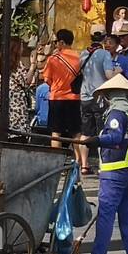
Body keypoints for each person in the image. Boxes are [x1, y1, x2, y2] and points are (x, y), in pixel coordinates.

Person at [74, 74, 128, 254]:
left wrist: (96, 141)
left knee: (106, 216)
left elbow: (115, 137)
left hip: (114, 173)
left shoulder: (116, 113)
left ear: (110, 96)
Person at [75, 25, 116, 172]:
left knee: (85, 131)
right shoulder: (105, 55)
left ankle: (84, 165)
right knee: (101, 131)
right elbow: (109, 75)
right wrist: (118, 72)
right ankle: (101, 164)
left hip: (85, 96)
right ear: (105, 38)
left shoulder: (83, 54)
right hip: (100, 97)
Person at [42, 28, 85, 162]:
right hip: (74, 98)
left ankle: (56, 161)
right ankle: (78, 161)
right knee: (76, 132)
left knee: (56, 132)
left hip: (57, 98)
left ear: (61, 42)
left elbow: (47, 80)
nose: (55, 44)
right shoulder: (80, 58)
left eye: (56, 42)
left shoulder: (53, 59)